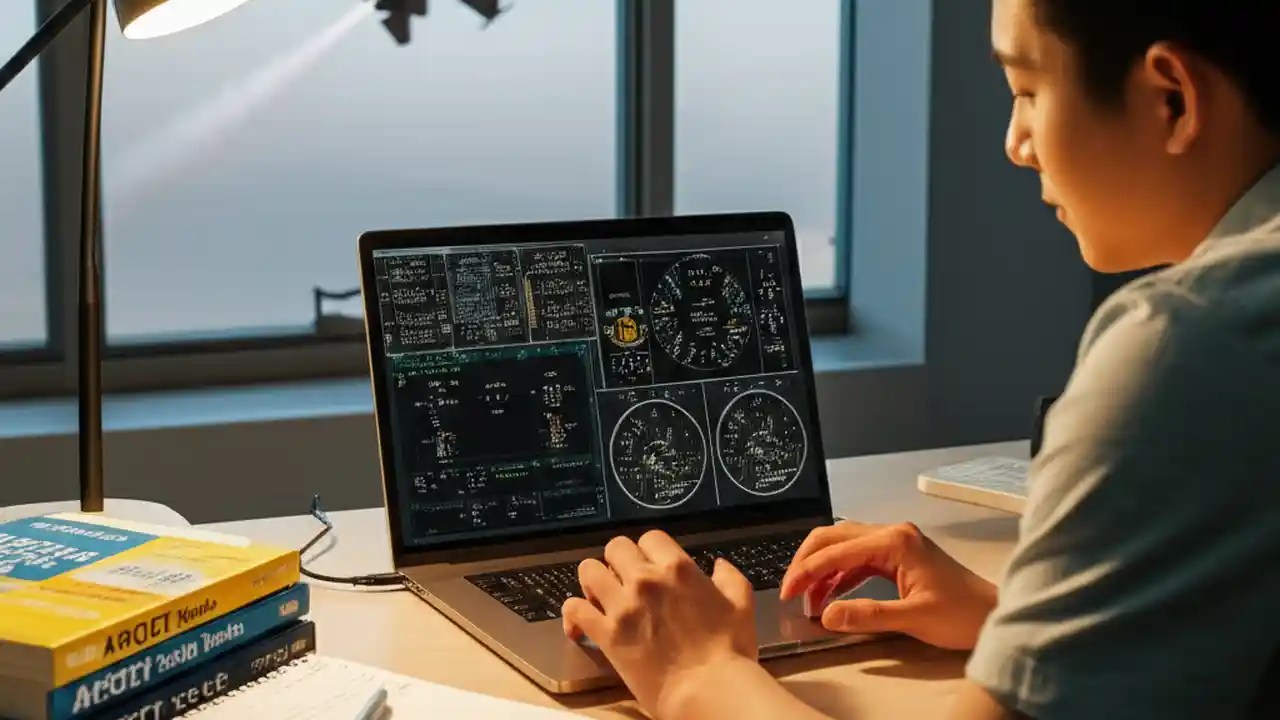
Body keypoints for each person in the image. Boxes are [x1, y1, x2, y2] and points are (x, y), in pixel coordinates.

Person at [560, 0, 1280, 718]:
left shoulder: (1185, 344)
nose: (1015, 142)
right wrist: (1024, 625)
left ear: (1171, 101)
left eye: (1027, 90)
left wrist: (696, 676)